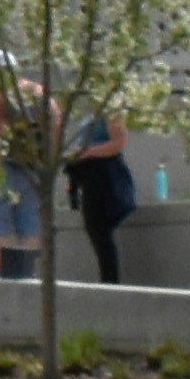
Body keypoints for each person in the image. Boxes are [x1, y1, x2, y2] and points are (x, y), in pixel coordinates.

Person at [66, 106, 136, 282]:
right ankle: (108, 279)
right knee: (95, 229)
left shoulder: (112, 111)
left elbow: (119, 143)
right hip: (90, 177)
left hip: (104, 177)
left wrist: (87, 153)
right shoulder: (91, 113)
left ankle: (110, 281)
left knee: (101, 230)